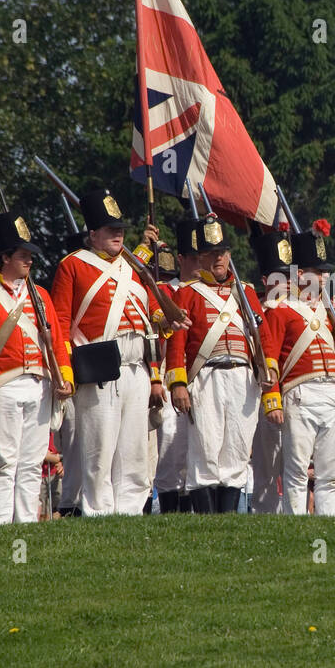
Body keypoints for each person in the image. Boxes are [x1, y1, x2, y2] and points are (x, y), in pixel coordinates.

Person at [51, 189, 183, 516]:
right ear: (93, 234)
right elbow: (60, 323)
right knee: (99, 451)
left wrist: (167, 318)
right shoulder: (73, 266)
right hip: (98, 369)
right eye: (111, 230)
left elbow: (152, 312)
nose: (118, 234)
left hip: (136, 367)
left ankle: (130, 512)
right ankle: (98, 512)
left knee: (134, 451)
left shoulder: (134, 268)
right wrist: (65, 372)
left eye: (121, 229)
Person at [0, 212, 74, 525]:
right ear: (6, 257)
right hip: (4, 386)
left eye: (30, 256)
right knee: (4, 461)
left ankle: (26, 521)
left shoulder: (41, 296)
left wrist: (66, 378)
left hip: (40, 384)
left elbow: (58, 342)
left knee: (32, 461)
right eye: (23, 255)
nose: (30, 261)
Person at [260, 221, 335, 516]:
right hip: (299, 394)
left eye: (327, 271)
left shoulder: (330, 312)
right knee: (296, 471)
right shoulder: (280, 310)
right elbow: (270, 360)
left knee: (330, 474)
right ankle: (296, 524)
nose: (326, 275)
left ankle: (328, 525)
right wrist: (272, 400)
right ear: (300, 274)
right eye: (320, 271)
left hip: (333, 395)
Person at [167, 214, 266, 514]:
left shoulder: (246, 292)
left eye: (222, 252)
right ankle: (207, 519)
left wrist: (267, 369)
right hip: (206, 377)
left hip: (242, 377)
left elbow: (263, 335)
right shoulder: (187, 293)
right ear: (200, 258)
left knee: (236, 447)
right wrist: (179, 383)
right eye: (211, 253)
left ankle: (227, 520)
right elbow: (177, 342)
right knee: (206, 448)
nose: (218, 258)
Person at [153, 218, 201, 513]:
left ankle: (189, 509)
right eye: (195, 257)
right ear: (181, 259)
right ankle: (171, 512)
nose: (201, 263)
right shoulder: (163, 291)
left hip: (201, 375)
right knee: (169, 447)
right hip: (168, 372)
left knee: (193, 448)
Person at [247, 227, 291, 514]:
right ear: (266, 280)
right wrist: (270, 399)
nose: (288, 283)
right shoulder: (259, 313)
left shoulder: (303, 311)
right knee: (266, 466)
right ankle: (265, 516)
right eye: (280, 278)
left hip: (302, 397)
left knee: (296, 466)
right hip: (266, 396)